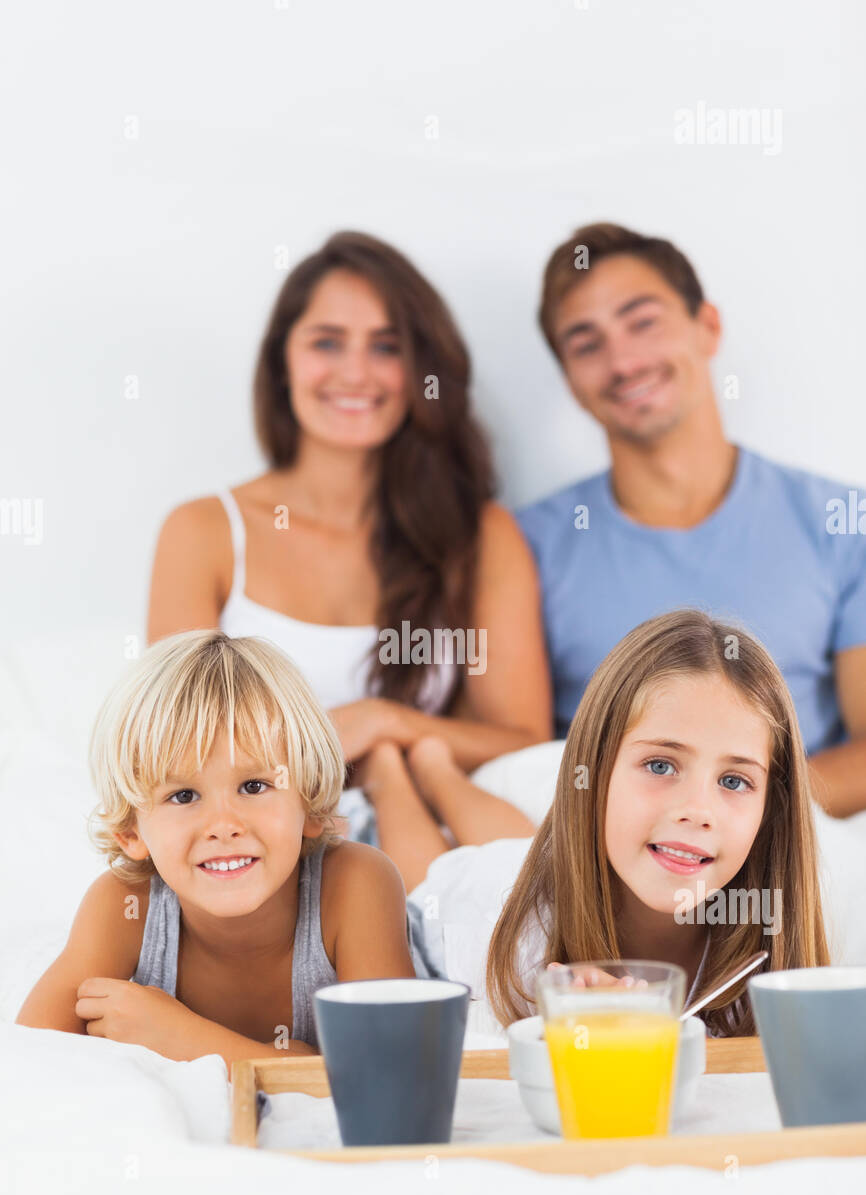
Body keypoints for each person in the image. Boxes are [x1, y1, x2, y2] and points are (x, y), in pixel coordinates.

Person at [146, 231, 553, 841]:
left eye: (386, 346)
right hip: (250, 838)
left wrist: (383, 723)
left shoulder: (479, 534)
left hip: (423, 829)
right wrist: (340, 737)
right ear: (283, 362)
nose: (355, 372)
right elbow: (177, 740)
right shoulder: (203, 531)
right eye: (327, 342)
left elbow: (523, 740)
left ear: (421, 370)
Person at [518, 223, 866, 817]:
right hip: (609, 869)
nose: (623, 360)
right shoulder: (527, 543)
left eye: (643, 320)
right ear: (571, 382)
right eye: (585, 342)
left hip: (803, 856)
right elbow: (520, 759)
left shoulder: (840, 521)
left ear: (708, 326)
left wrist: (729, 816)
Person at [394, 611, 829, 1037]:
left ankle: (435, 767)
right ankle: (401, 770)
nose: (698, 810)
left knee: (520, 845)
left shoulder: (776, 939)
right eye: (660, 765)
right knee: (464, 864)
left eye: (734, 780)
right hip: (458, 897)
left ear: (771, 807)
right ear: (594, 768)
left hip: (527, 854)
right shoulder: (503, 934)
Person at [15, 632, 416, 1067]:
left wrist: (180, 1036)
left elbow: (387, 1069)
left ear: (312, 803)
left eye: (254, 786)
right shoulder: (126, 905)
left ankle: (400, 772)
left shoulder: (356, 885)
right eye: (184, 796)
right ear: (131, 833)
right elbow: (31, 1056)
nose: (224, 826)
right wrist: (292, 1061)